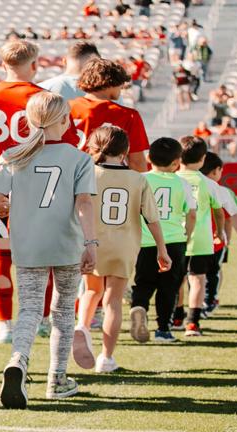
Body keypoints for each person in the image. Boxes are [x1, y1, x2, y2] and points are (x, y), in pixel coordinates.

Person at [0, 92, 96, 408]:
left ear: (28, 120)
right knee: (63, 310)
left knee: (28, 309)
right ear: (66, 120)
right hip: (66, 243)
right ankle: (57, 379)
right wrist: (91, 243)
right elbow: (82, 204)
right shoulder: (79, 158)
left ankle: (18, 359)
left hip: (27, 244)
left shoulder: (12, 155)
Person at [0, 39, 81, 344]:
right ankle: (42, 319)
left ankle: (4, 325)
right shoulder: (47, 98)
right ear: (35, 65)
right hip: (42, 189)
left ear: (3, 65)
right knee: (42, 257)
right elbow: (67, 144)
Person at [74, 125, 167, 373]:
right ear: (125, 151)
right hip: (123, 246)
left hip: (90, 241)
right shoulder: (138, 178)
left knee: (91, 291)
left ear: (93, 146)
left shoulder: (87, 173)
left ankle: (82, 326)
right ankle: (106, 358)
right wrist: (162, 249)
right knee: (113, 299)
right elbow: (152, 219)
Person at [128, 137, 196, 343]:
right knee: (169, 287)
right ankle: (163, 329)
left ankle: (138, 306)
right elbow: (191, 214)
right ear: (177, 163)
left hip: (145, 241)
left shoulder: (141, 179)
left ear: (149, 158)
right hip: (173, 241)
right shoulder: (181, 183)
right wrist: (187, 235)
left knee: (143, 282)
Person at [174, 137, 224, 335]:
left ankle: (176, 316)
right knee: (197, 280)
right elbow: (219, 212)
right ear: (203, 159)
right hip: (201, 240)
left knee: (176, 280)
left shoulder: (174, 179)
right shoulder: (209, 183)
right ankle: (192, 322)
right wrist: (219, 232)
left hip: (175, 238)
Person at [68, 58, 149, 172]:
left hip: (70, 176)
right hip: (109, 181)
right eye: (121, 83)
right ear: (110, 82)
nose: (122, 88)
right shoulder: (127, 115)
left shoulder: (65, 108)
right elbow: (137, 163)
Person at [200, 152, 237, 316]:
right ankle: (210, 299)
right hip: (217, 240)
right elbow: (231, 217)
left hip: (192, 239)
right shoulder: (222, 191)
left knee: (193, 273)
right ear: (216, 170)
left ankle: (197, 302)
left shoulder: (187, 185)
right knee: (214, 271)